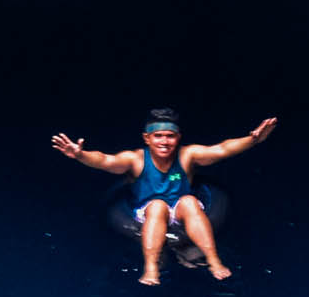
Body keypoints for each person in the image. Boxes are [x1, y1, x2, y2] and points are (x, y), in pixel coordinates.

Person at [51, 108, 277, 285]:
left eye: (170, 136)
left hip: (183, 210)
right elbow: (105, 160)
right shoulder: (136, 159)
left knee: (188, 201)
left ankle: (214, 261)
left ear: (178, 137)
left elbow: (222, 149)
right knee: (157, 205)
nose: (164, 141)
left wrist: (253, 139)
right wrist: (80, 155)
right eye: (158, 136)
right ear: (147, 138)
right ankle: (151, 268)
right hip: (148, 212)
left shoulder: (188, 155)